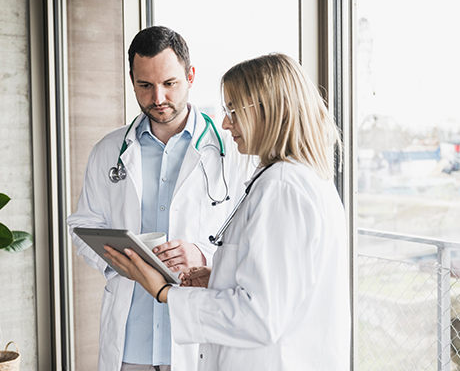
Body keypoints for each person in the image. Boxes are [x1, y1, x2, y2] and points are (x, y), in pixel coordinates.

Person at [104, 53, 351, 371]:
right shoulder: (293, 179)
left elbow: (260, 317)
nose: (225, 123)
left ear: (269, 111)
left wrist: (163, 290)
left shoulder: (283, 188)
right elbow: (278, 288)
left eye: (234, 110)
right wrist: (219, 279)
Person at [67, 26, 247, 371]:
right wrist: (114, 259)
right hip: (131, 340)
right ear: (132, 80)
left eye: (170, 83)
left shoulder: (232, 153)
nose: (158, 98)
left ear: (191, 76)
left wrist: (201, 254)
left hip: (196, 334)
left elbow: (249, 239)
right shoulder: (108, 151)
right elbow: (83, 223)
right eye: (145, 86)